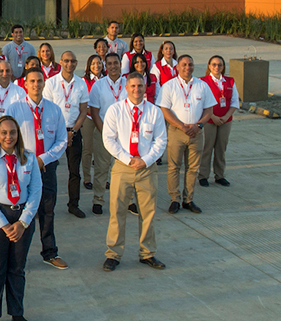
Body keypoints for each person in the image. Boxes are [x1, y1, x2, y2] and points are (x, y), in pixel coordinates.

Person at [101, 73, 168, 272]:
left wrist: (145, 160)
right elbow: (108, 139)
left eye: (140, 86)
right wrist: (128, 159)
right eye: (133, 86)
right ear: (127, 88)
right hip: (123, 166)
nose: (136, 90)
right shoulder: (115, 110)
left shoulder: (154, 112)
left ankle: (147, 253)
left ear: (145, 87)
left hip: (147, 168)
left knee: (147, 212)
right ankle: (113, 253)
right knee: (117, 211)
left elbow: (161, 141)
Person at [0, 116, 42, 321]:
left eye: (12, 132)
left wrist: (23, 222)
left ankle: (17, 313)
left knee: (17, 268)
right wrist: (4, 225)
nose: (8, 137)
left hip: (22, 217)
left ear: (18, 134)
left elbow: (35, 190)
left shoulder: (29, 158)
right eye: (4, 132)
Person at [5, 69, 68, 270]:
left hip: (47, 168)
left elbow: (61, 140)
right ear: (25, 84)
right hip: (22, 168)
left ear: (44, 83)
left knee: (47, 210)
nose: (36, 85)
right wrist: (27, 160)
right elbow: (7, 138)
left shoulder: (54, 110)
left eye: (39, 81)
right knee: (21, 211)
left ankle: (49, 252)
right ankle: (16, 256)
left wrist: (44, 159)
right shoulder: (15, 109)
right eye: (32, 81)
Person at [157, 55, 214, 214]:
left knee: (193, 168)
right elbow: (165, 110)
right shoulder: (169, 86)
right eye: (184, 65)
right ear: (177, 67)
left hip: (196, 132)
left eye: (190, 64)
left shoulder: (202, 86)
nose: (187, 67)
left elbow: (209, 110)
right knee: (174, 167)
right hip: (176, 132)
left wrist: (199, 125)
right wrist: (181, 126)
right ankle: (174, 199)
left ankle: (188, 199)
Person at [42, 52, 89, 218]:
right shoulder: (51, 83)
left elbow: (83, 111)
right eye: (66, 61)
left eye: (73, 61)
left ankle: (73, 204)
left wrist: (73, 131)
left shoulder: (81, 84)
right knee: (48, 171)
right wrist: (62, 133)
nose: (70, 64)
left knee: (74, 171)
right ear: (60, 62)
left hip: (74, 131)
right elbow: (46, 109)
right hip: (54, 133)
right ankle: (46, 206)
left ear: (76, 64)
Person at [87, 53, 128, 215]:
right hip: (103, 132)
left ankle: (128, 200)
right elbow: (95, 112)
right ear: (106, 66)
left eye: (116, 63)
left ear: (120, 64)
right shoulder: (99, 85)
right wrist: (105, 132)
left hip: (125, 135)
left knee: (125, 169)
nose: (113, 66)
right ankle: (98, 200)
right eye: (109, 63)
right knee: (101, 168)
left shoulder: (128, 83)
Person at [199, 56, 240, 187]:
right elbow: (201, 102)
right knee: (208, 147)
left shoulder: (230, 82)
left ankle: (219, 175)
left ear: (223, 67)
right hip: (210, 120)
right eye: (214, 65)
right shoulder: (203, 82)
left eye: (220, 65)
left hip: (225, 120)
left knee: (221, 147)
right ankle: (203, 175)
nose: (217, 67)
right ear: (209, 66)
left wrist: (226, 116)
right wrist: (212, 117)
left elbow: (234, 101)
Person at [80, 54, 105, 192]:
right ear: (89, 66)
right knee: (88, 150)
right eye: (93, 63)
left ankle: (102, 178)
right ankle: (87, 178)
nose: (97, 66)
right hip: (89, 119)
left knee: (102, 151)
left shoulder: (106, 80)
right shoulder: (84, 81)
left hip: (103, 118)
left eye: (99, 63)